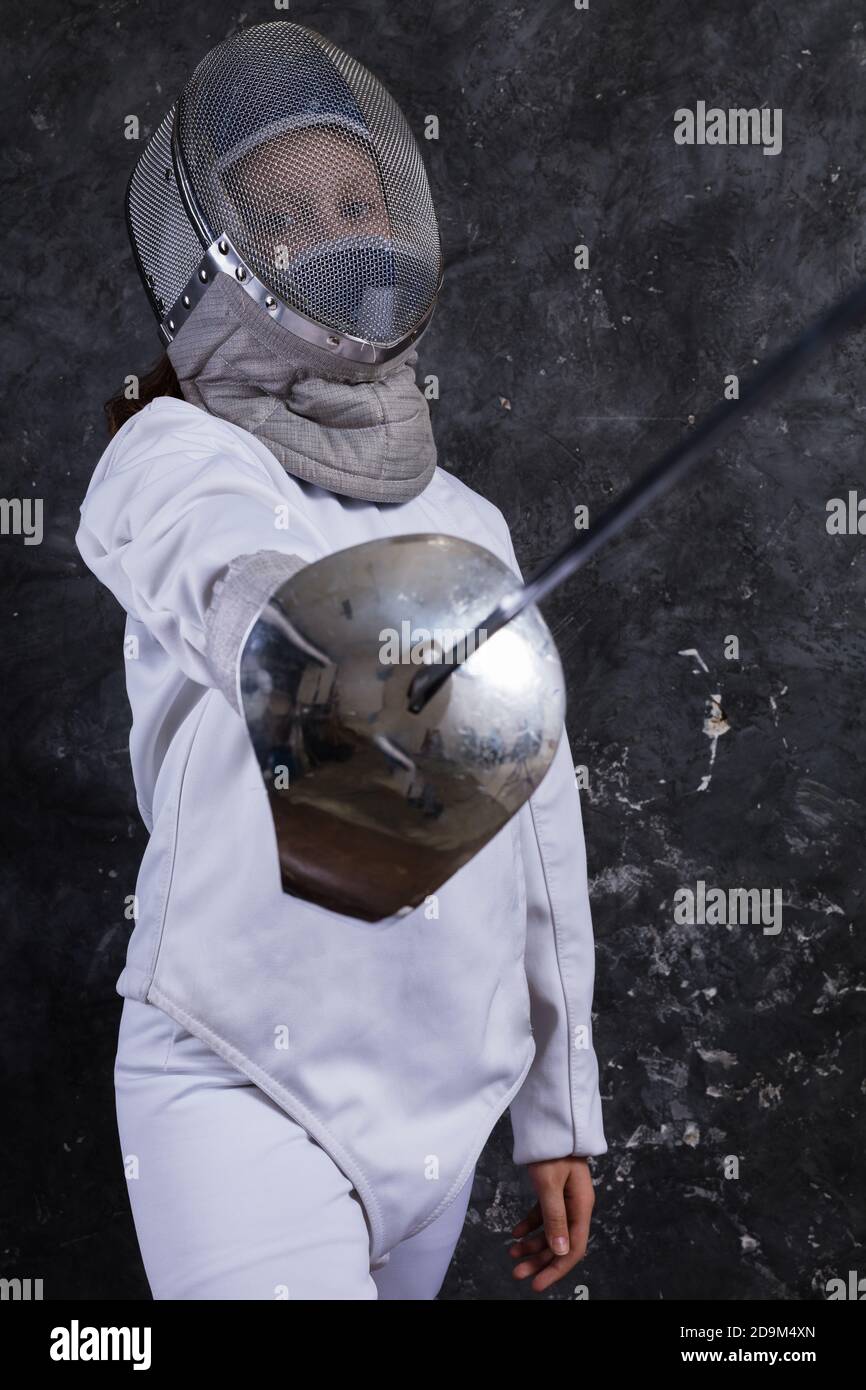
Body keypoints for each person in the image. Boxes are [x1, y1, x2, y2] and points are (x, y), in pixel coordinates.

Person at [76, 19, 607, 1300]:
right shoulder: (179, 454)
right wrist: (313, 646)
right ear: (223, 261)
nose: (343, 233)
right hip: (239, 1081)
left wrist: (555, 1109)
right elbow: (221, 565)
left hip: (435, 1109)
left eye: (357, 200)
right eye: (292, 216)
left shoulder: (471, 525)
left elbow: (535, 829)